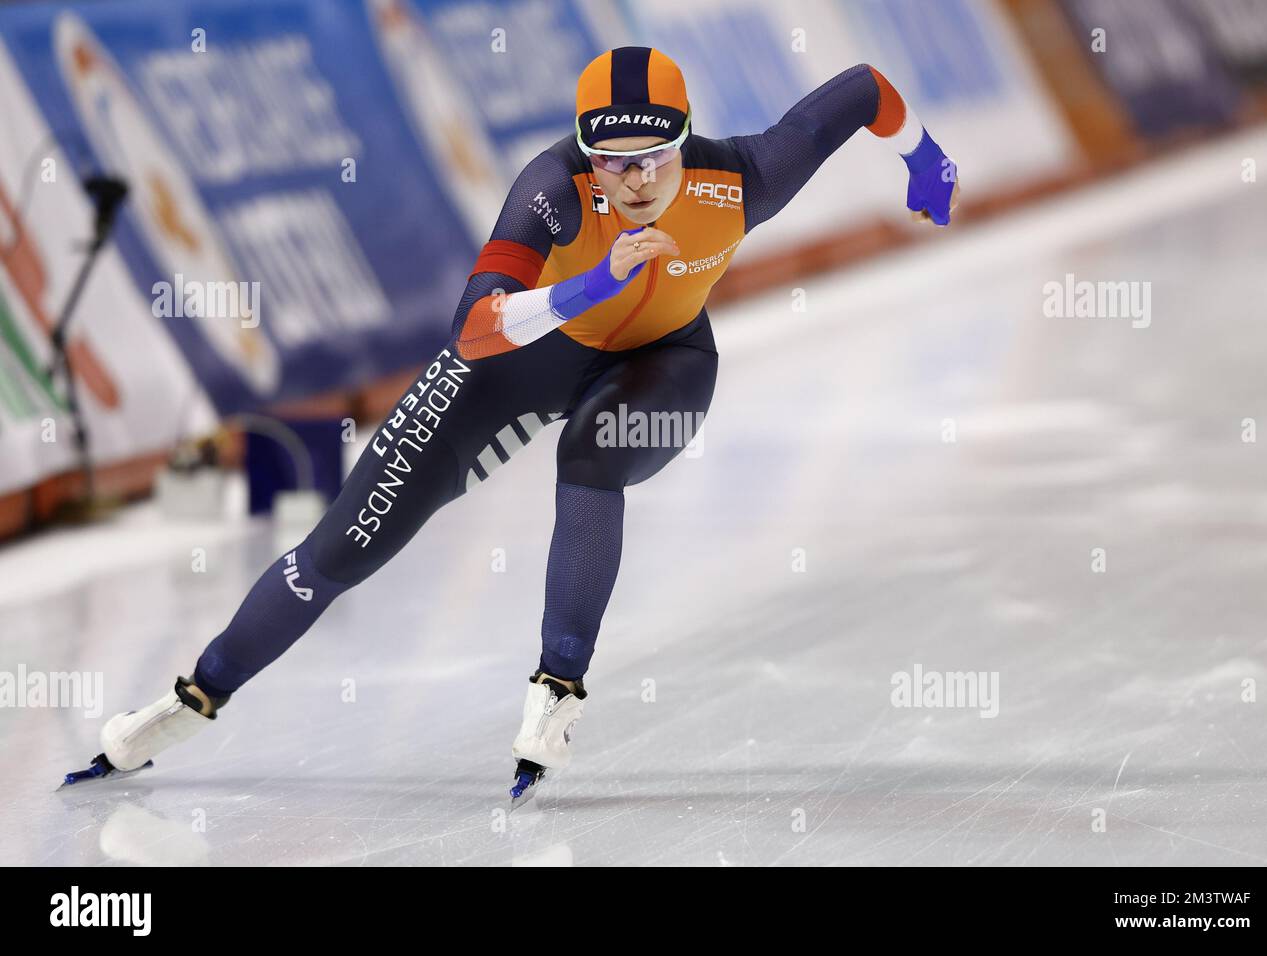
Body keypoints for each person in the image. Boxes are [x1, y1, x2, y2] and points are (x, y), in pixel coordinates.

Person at [68, 47, 958, 803]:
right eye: (614, 161)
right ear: (585, 155)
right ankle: (195, 697)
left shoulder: (744, 178)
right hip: (525, 350)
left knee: (594, 453)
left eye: (655, 155)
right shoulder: (554, 192)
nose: (638, 179)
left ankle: (557, 684)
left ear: (688, 142)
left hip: (662, 364)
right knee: (345, 544)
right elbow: (475, 326)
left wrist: (926, 155)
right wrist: (592, 283)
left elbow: (867, 91)